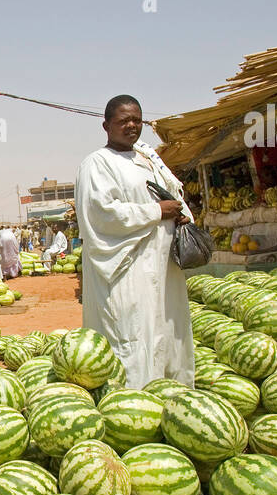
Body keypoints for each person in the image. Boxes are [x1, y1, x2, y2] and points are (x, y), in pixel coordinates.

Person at [75, 94, 195, 388]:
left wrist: (176, 214)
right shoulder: (97, 164)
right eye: (123, 120)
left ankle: (171, 392)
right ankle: (134, 398)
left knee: (166, 329)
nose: (131, 126)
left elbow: (172, 198)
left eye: (137, 120)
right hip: (128, 270)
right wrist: (157, 211)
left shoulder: (148, 161)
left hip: (163, 267)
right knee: (133, 333)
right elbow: (101, 215)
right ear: (106, 125)